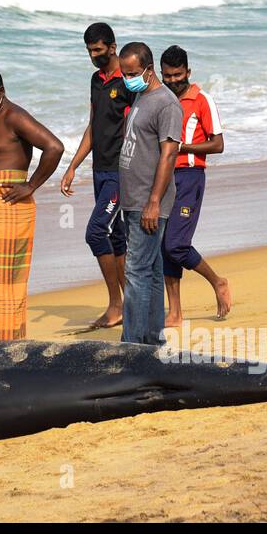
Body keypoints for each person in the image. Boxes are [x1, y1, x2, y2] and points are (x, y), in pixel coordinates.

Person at [0, 66, 63, 340]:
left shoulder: (14, 116)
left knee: (5, 281)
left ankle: (6, 343)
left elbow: (54, 147)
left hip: (6, 207)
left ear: (1, 92)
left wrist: (31, 185)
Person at [60, 22, 132, 329]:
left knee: (95, 231)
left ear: (112, 47)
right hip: (99, 170)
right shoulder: (96, 80)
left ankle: (117, 305)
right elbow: (93, 126)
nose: (93, 56)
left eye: (98, 50)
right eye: (89, 51)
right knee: (116, 238)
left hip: (120, 172)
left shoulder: (128, 82)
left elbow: (140, 126)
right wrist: (73, 165)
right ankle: (132, 302)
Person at [159, 45, 233, 324]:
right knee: (164, 244)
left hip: (189, 177)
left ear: (188, 72)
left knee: (176, 245)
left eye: (178, 75)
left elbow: (218, 144)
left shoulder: (202, 100)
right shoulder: (160, 99)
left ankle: (217, 281)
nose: (173, 81)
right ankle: (175, 312)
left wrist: (182, 147)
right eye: (168, 75)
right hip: (162, 177)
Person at [116, 43, 182, 345]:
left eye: (132, 73)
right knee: (152, 271)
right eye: (125, 73)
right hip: (135, 199)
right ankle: (153, 340)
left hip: (149, 201)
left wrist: (153, 201)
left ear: (149, 69)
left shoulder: (166, 104)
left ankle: (132, 344)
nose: (128, 78)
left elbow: (169, 154)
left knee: (135, 272)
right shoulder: (142, 95)